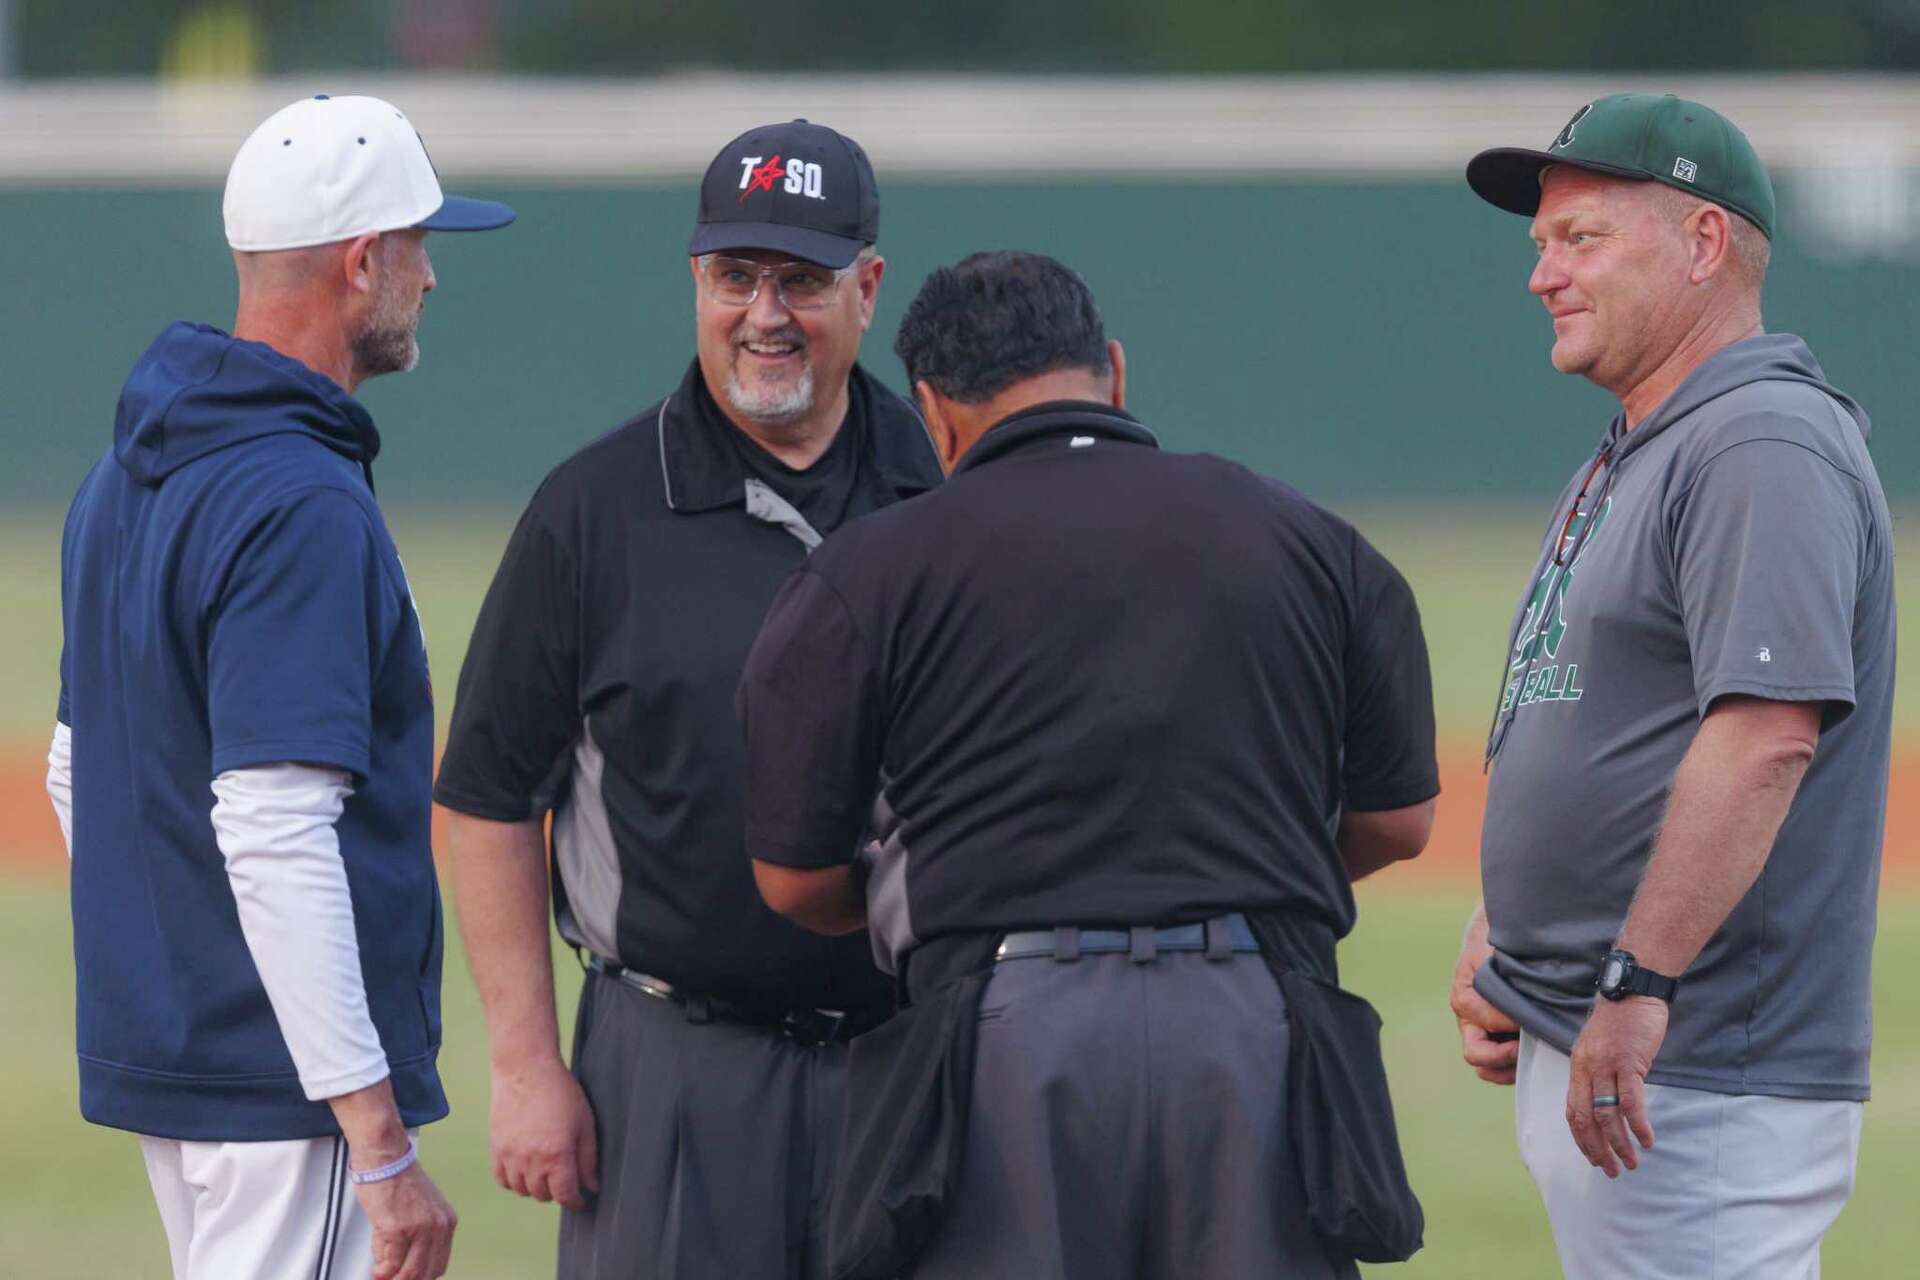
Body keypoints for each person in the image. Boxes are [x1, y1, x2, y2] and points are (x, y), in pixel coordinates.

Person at [737, 250, 1439, 1279]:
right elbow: (1398, 820)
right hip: (1255, 1025)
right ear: (1113, 368)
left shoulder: (864, 570)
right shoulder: (1315, 540)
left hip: (1007, 1033)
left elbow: (796, 877)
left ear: (933, 414)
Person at [432, 119, 942, 1278]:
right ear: (696, 281)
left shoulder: (943, 494)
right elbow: (489, 796)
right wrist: (523, 1064)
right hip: (668, 1070)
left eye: (802, 280)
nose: (765, 312)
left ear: (866, 288)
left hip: (915, 1060)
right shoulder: (594, 508)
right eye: (736, 276)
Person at [46, 94, 513, 1280]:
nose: (432, 279)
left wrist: (188, 963)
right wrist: (375, 1131)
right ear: (363, 263)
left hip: (193, 1063)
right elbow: (273, 821)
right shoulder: (298, 498)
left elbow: (76, 770)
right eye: (418, 247)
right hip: (283, 1089)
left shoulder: (124, 472)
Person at [1451, 93, 1894, 1278]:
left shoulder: (1759, 441)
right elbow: (1600, 717)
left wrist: (1639, 979)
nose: (1543, 273)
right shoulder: (1649, 438)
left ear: (1703, 245)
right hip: (1621, 1036)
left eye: (1581, 238)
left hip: (1693, 1064)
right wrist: (1511, 936)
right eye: (1541, 243)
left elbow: (1763, 740)